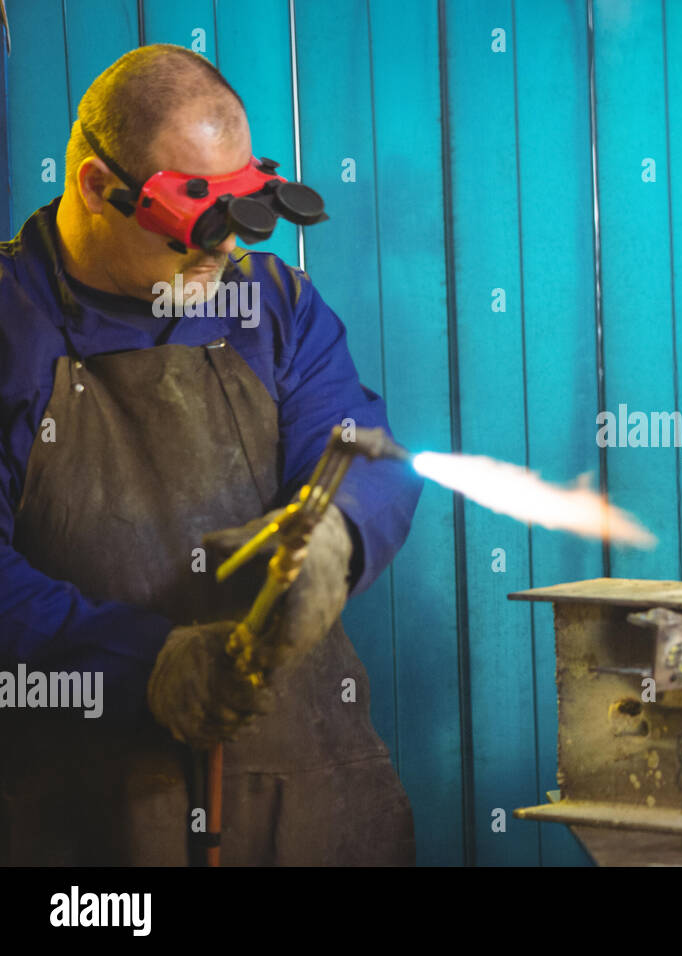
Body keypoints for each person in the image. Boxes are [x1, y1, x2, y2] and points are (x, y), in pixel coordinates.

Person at [0, 45, 422, 863]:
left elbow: (359, 457)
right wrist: (143, 666)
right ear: (95, 185)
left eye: (232, 232)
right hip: (82, 821)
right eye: (190, 237)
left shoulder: (275, 306)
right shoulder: (12, 328)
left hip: (305, 799)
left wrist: (337, 539)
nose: (217, 261)